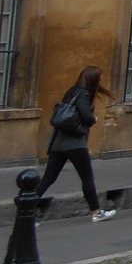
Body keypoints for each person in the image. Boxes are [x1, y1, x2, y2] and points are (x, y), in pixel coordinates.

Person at [36, 65, 116, 222]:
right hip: (74, 143)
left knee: (49, 177)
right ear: (92, 80)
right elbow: (86, 116)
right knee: (86, 177)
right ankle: (96, 212)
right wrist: (94, 119)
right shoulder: (83, 95)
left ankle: (27, 208)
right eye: (99, 79)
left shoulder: (72, 91)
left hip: (58, 141)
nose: (100, 81)